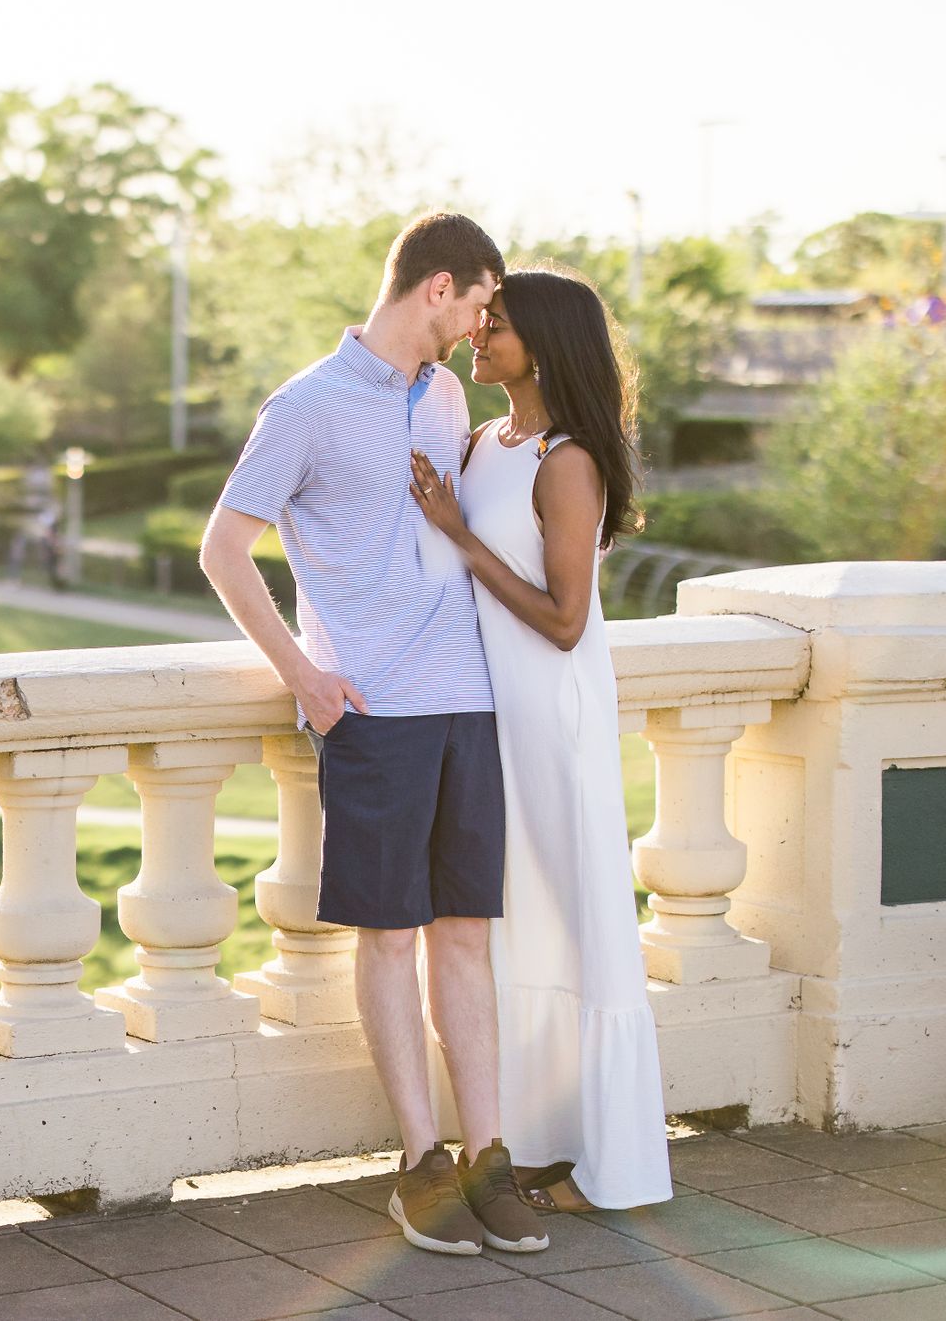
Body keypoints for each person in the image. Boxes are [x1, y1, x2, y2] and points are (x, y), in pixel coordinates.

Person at [200, 211, 551, 1257]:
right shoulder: (304, 406)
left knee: (465, 933)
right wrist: (301, 673)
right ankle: (419, 1161)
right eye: (481, 302)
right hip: (376, 713)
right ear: (437, 287)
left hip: (469, 704)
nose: (482, 325)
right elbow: (224, 548)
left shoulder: (445, 397)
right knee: (389, 935)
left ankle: (487, 1154)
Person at [409, 267, 673, 1211]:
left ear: (547, 344)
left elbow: (566, 619)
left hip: (553, 714)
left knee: (577, 911)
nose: (479, 338)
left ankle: (610, 1160)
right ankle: (524, 1142)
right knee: (510, 917)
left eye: (499, 327)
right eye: (480, 322)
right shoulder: (483, 440)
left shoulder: (567, 460)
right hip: (488, 712)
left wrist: (460, 535)